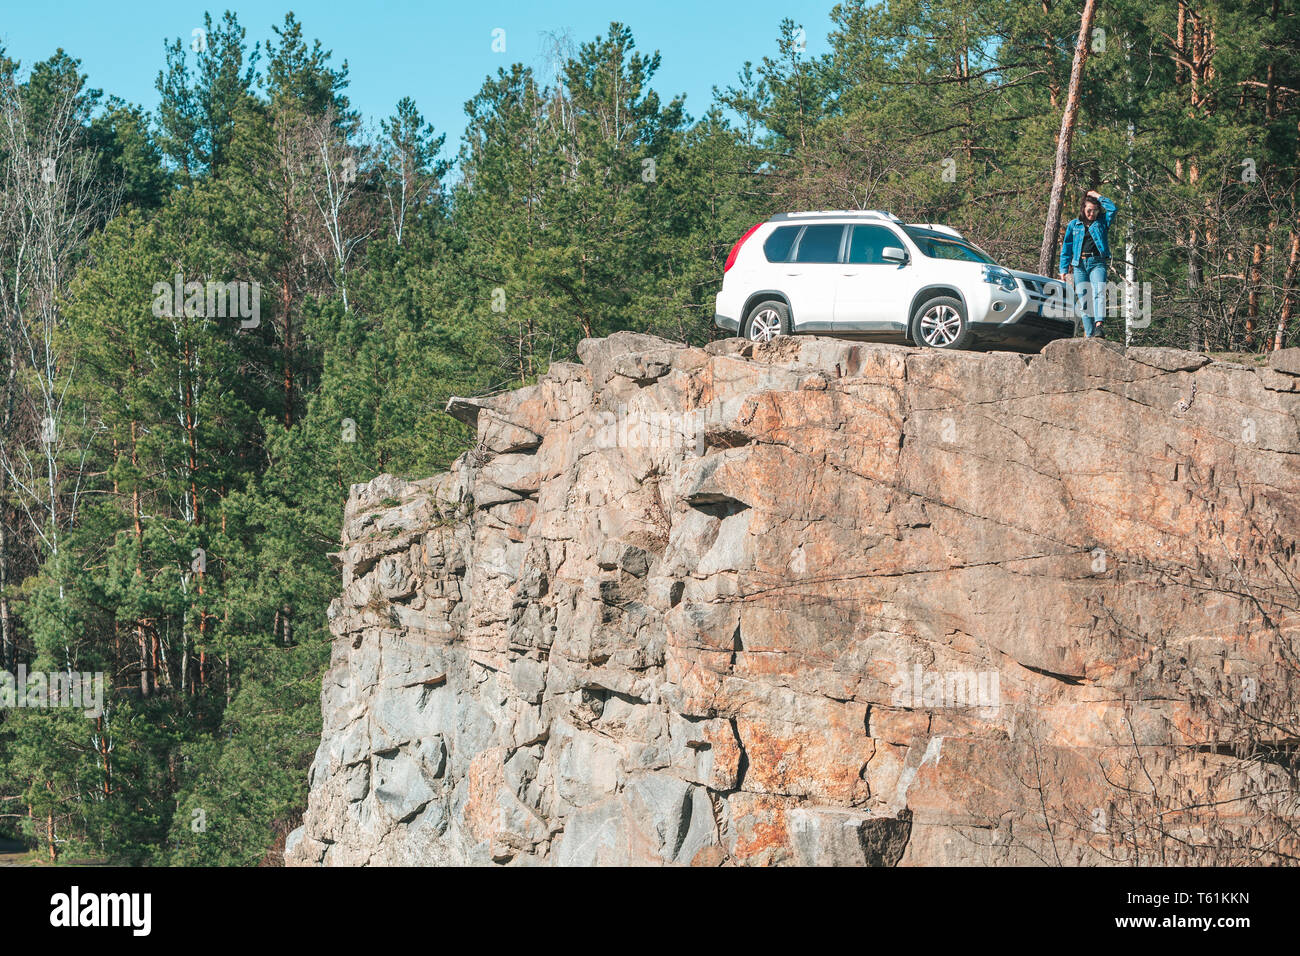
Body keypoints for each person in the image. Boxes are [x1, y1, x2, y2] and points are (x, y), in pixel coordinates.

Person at [1058, 189, 1117, 338]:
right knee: (1084, 300)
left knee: (1098, 292)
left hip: (1097, 263)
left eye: (1095, 210)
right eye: (1089, 210)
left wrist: (1098, 196)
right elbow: (1067, 248)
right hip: (1079, 266)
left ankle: (1099, 326)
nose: (1092, 214)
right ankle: (1090, 335)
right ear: (1083, 209)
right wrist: (1063, 268)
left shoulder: (1102, 222)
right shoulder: (1074, 225)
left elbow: (1113, 208)